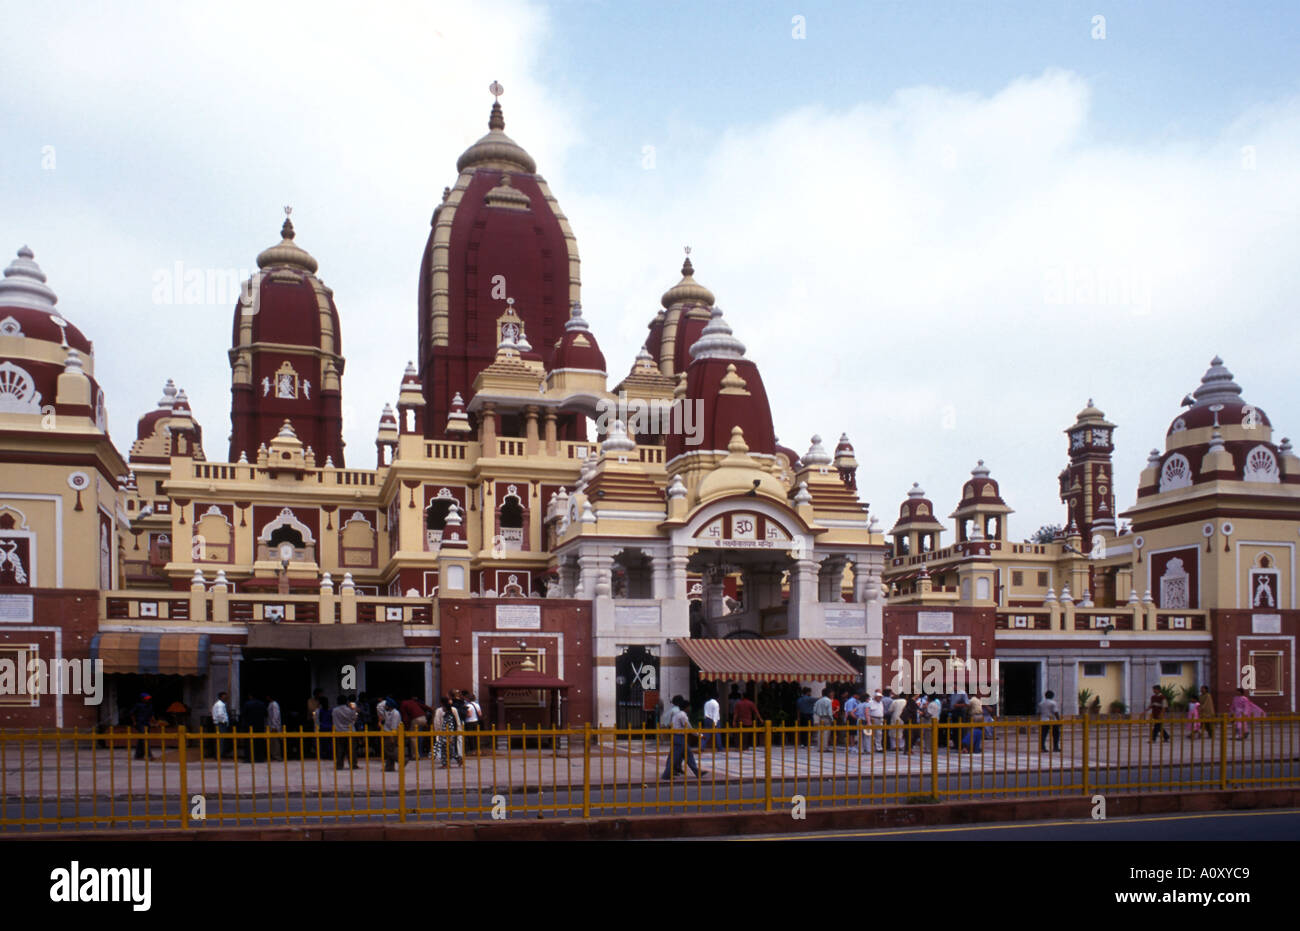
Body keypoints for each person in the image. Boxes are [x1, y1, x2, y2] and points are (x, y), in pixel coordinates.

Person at [661, 695, 707, 780]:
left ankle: (697, 772)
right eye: (689, 707)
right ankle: (666, 775)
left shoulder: (677, 714)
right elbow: (689, 728)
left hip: (676, 737)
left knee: (688, 756)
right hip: (680, 738)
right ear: (686, 707)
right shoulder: (683, 716)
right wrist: (700, 735)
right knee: (675, 758)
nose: (690, 709)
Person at [432, 695, 463, 767]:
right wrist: (458, 729)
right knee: (450, 747)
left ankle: (448, 762)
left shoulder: (440, 710)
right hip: (452, 731)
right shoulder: (453, 709)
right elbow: (458, 721)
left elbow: (437, 722)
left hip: (443, 732)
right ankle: (453, 759)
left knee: (444, 748)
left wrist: (437, 731)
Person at [399, 694, 431, 761]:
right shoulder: (413, 702)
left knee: (413, 737)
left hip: (416, 719)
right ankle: (420, 753)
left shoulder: (403, 704)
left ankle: (415, 755)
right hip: (424, 718)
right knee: (419, 735)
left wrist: (406, 727)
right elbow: (425, 707)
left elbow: (405, 718)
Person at [331, 696, 360, 769]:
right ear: (346, 702)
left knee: (340, 750)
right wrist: (354, 708)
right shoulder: (349, 710)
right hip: (350, 732)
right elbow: (354, 718)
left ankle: (339, 765)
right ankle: (353, 764)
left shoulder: (334, 710)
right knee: (352, 750)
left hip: (339, 732)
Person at [241, 693, 267, 761]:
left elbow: (243, 715)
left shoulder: (247, 704)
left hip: (249, 726)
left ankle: (249, 758)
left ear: (250, 696)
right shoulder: (262, 704)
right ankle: (260, 758)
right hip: (260, 726)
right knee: (259, 742)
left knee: (249, 742)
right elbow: (266, 714)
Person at [130, 692, 155, 760]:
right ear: (142, 699)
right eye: (146, 698)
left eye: (148, 698)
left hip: (147, 724)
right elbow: (132, 714)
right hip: (140, 723)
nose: (147, 700)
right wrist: (134, 722)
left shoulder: (150, 706)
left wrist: (155, 722)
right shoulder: (138, 705)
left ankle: (138, 755)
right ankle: (150, 755)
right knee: (145, 739)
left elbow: (151, 716)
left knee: (141, 739)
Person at [380, 698, 402, 771]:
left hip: (392, 734)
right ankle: (389, 767)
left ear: (389, 706)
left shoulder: (395, 713)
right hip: (387, 733)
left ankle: (402, 760)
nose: (385, 706)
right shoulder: (388, 713)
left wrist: (392, 737)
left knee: (389, 751)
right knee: (390, 750)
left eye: (386, 705)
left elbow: (394, 726)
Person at [461, 691, 483, 756]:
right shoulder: (477, 705)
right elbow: (480, 714)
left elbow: (469, 715)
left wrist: (464, 715)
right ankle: (478, 750)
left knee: (470, 737)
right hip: (476, 722)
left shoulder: (468, 706)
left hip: (469, 722)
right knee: (476, 736)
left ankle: (472, 750)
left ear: (468, 699)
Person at [211, 691, 231, 759]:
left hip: (219, 723)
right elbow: (220, 714)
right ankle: (219, 755)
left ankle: (219, 754)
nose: (225, 698)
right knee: (220, 740)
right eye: (224, 696)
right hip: (220, 724)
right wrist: (223, 721)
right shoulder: (220, 705)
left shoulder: (220, 704)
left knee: (220, 740)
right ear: (220, 697)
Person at [266, 694, 283, 762]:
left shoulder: (274, 704)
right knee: (272, 742)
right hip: (271, 726)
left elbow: (275, 716)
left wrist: (274, 726)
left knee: (275, 742)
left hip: (274, 727)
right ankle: (273, 756)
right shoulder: (271, 704)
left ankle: (277, 756)